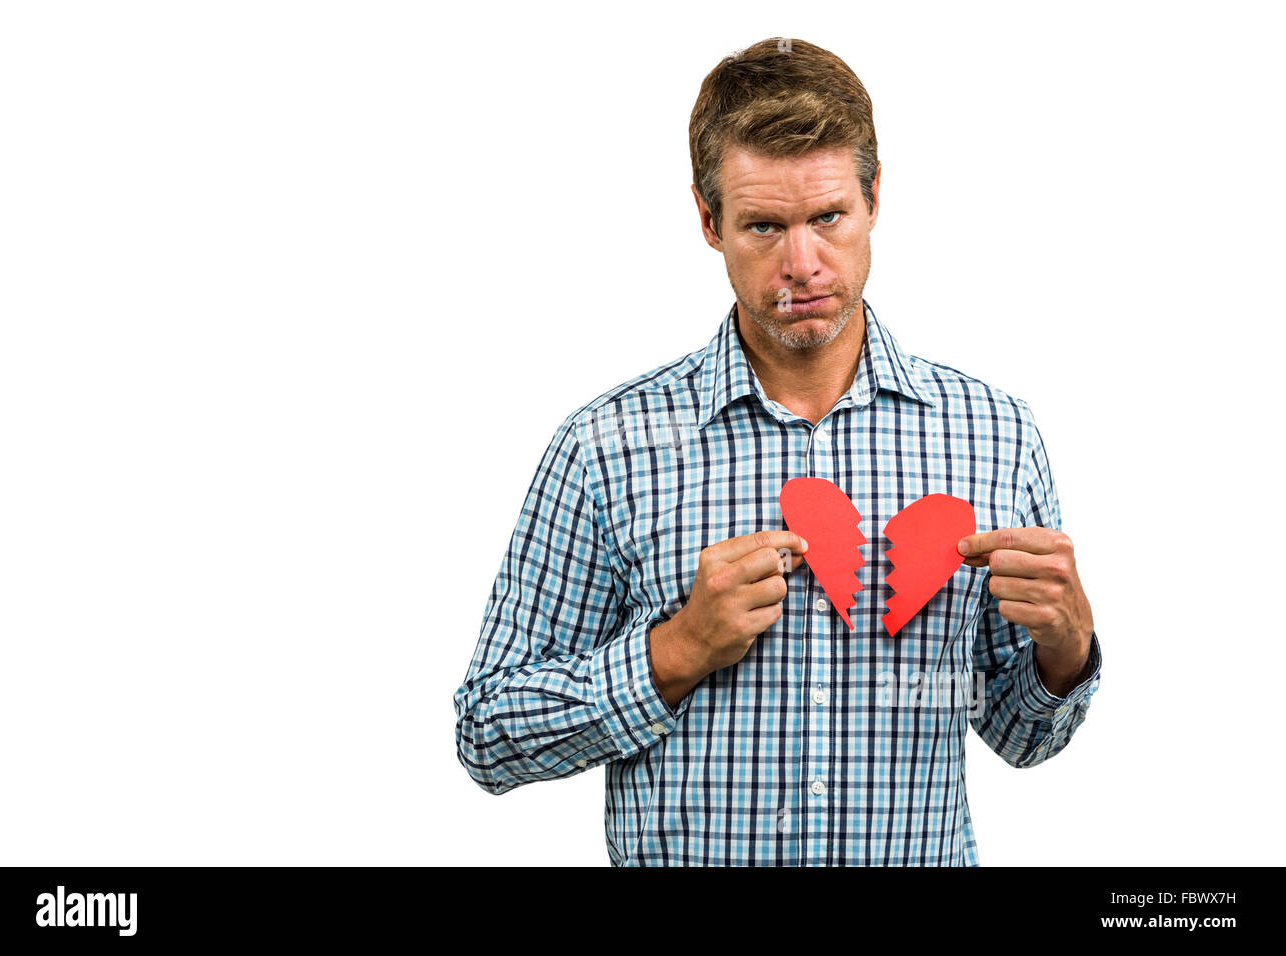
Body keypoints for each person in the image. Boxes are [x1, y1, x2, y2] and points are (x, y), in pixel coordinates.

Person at [452, 37, 1101, 866]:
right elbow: (487, 734)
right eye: (763, 225)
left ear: (874, 199)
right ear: (708, 220)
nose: (802, 265)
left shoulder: (995, 434)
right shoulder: (605, 447)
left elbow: (1019, 735)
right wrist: (675, 652)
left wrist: (1065, 649)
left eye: (828, 217)